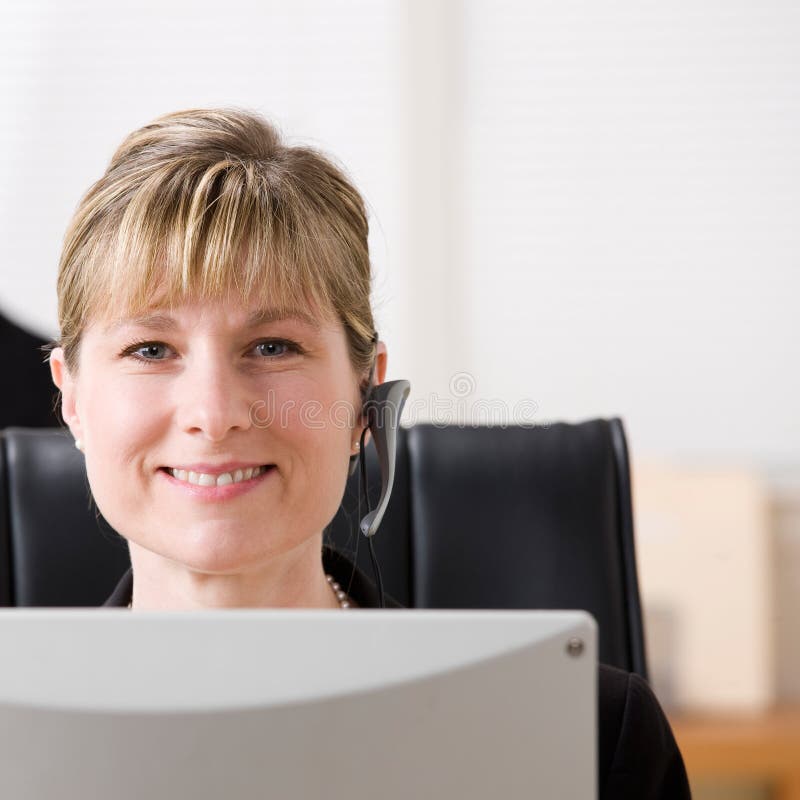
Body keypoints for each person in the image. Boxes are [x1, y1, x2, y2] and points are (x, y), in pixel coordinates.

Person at [48, 108, 690, 799]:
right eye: (151, 350)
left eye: (272, 347)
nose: (214, 413)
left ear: (365, 394)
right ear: (73, 400)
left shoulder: (597, 736)